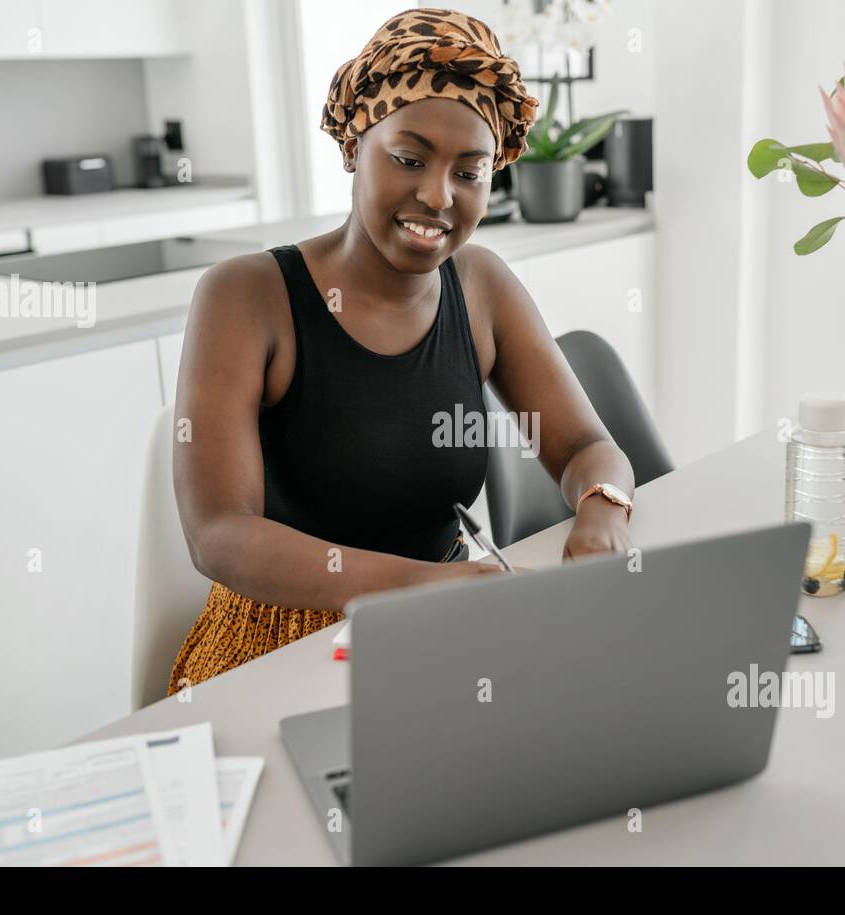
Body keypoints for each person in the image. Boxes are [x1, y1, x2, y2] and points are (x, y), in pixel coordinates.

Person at [168, 8, 635, 694]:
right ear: (357, 143)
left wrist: (602, 513)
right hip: (281, 645)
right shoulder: (245, 296)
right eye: (410, 159)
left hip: (443, 617)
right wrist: (424, 585)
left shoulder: (481, 285)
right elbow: (218, 534)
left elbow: (588, 446)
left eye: (469, 172)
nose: (438, 196)